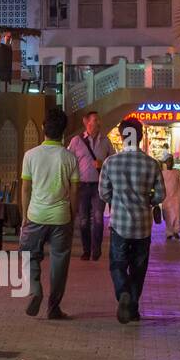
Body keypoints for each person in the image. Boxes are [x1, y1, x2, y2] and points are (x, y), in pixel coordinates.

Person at [98, 117, 165, 324]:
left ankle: (123, 293)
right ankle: (133, 308)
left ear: (122, 136)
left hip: (119, 224)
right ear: (140, 137)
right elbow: (160, 195)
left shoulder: (111, 162)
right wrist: (147, 200)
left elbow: (103, 193)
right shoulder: (151, 164)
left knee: (117, 264)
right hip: (143, 227)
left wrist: (117, 200)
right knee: (139, 267)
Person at [18, 106, 79, 320]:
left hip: (36, 215)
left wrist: (24, 215)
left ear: (43, 128)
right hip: (61, 216)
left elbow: (26, 188)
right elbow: (74, 191)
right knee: (59, 263)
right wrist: (72, 215)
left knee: (28, 254)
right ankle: (54, 308)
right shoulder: (70, 157)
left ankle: (35, 288)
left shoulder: (30, 155)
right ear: (63, 131)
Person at [68, 111, 114, 261]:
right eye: (95, 120)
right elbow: (69, 162)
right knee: (83, 220)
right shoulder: (76, 141)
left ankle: (96, 250)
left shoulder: (105, 141)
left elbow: (113, 161)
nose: (99, 123)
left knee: (98, 218)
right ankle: (86, 250)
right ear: (86, 122)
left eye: (99, 120)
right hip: (82, 186)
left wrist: (103, 164)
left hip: (98, 186)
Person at [160, 154, 180, 241]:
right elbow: (160, 186)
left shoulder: (177, 172)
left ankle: (176, 231)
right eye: (168, 161)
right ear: (165, 163)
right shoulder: (162, 173)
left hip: (176, 197)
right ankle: (169, 232)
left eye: (171, 161)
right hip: (166, 198)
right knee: (168, 216)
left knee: (177, 215)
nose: (170, 163)